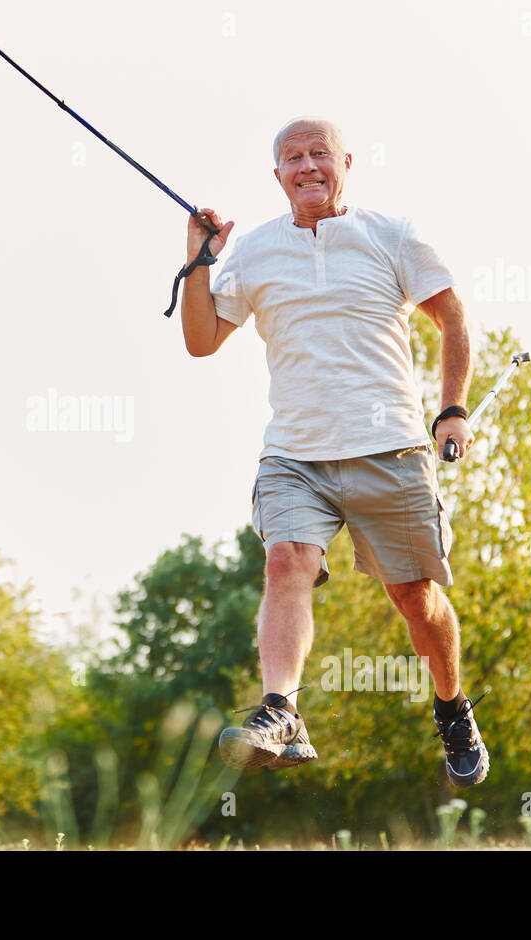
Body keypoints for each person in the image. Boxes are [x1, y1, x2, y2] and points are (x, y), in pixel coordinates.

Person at [181, 116, 488, 787]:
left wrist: (453, 410)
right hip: (296, 452)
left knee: (415, 598)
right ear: (278, 176)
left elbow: (453, 317)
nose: (308, 166)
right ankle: (281, 711)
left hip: (390, 449)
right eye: (293, 158)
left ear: (347, 161)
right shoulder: (255, 251)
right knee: (286, 561)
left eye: (320, 153)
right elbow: (201, 341)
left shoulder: (392, 235)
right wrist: (199, 262)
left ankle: (451, 704)